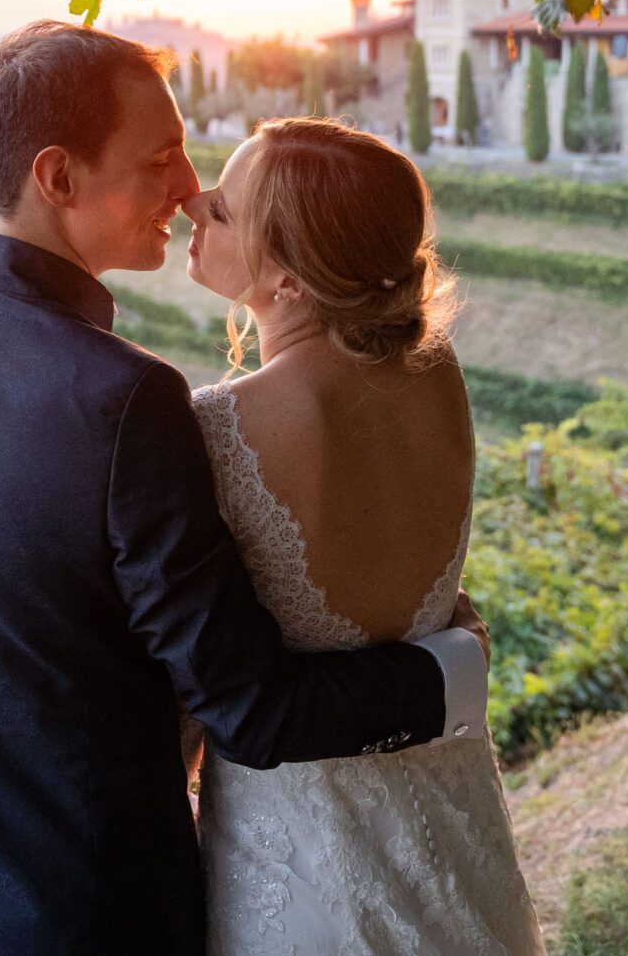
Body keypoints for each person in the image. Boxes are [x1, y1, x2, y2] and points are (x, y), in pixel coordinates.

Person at [0, 22, 488, 955]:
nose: (188, 188)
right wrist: (450, 669)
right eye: (161, 158)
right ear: (58, 176)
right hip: (71, 906)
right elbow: (247, 706)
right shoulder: (125, 398)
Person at [182, 116, 544, 953]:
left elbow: (195, 665)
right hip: (451, 822)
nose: (192, 203)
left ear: (290, 279)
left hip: (296, 859)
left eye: (224, 207)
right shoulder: (438, 370)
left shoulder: (218, 428)